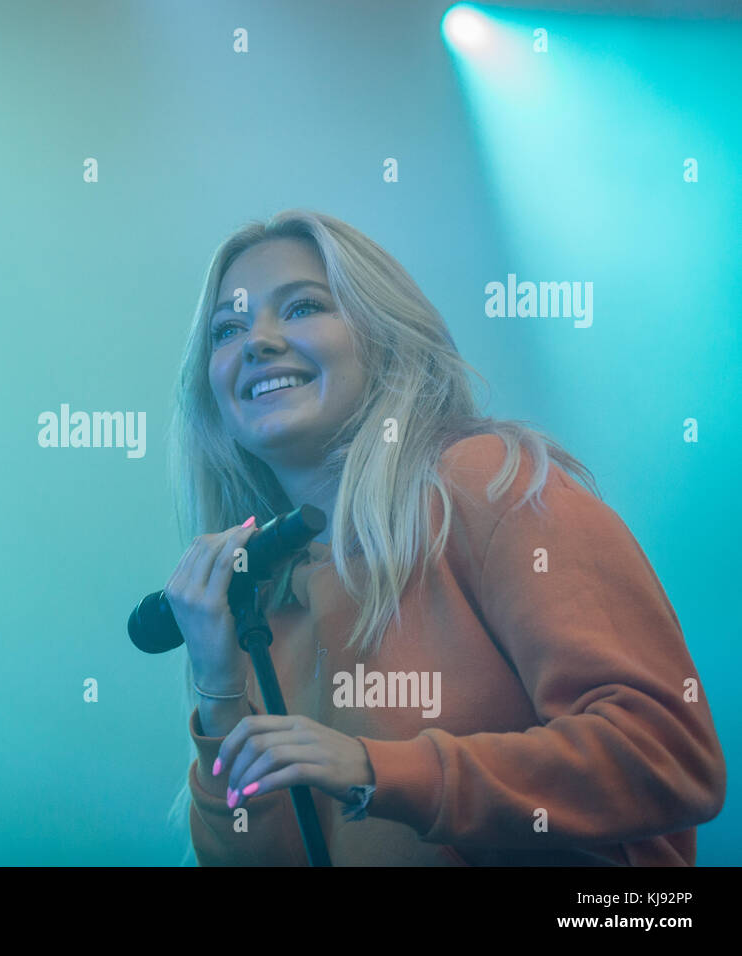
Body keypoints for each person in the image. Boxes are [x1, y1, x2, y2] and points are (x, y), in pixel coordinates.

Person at [162, 210, 726, 866]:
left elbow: (665, 756)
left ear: (385, 340)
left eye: (303, 307)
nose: (256, 342)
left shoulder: (488, 484)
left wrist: (379, 770)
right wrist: (218, 686)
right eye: (227, 329)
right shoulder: (260, 598)